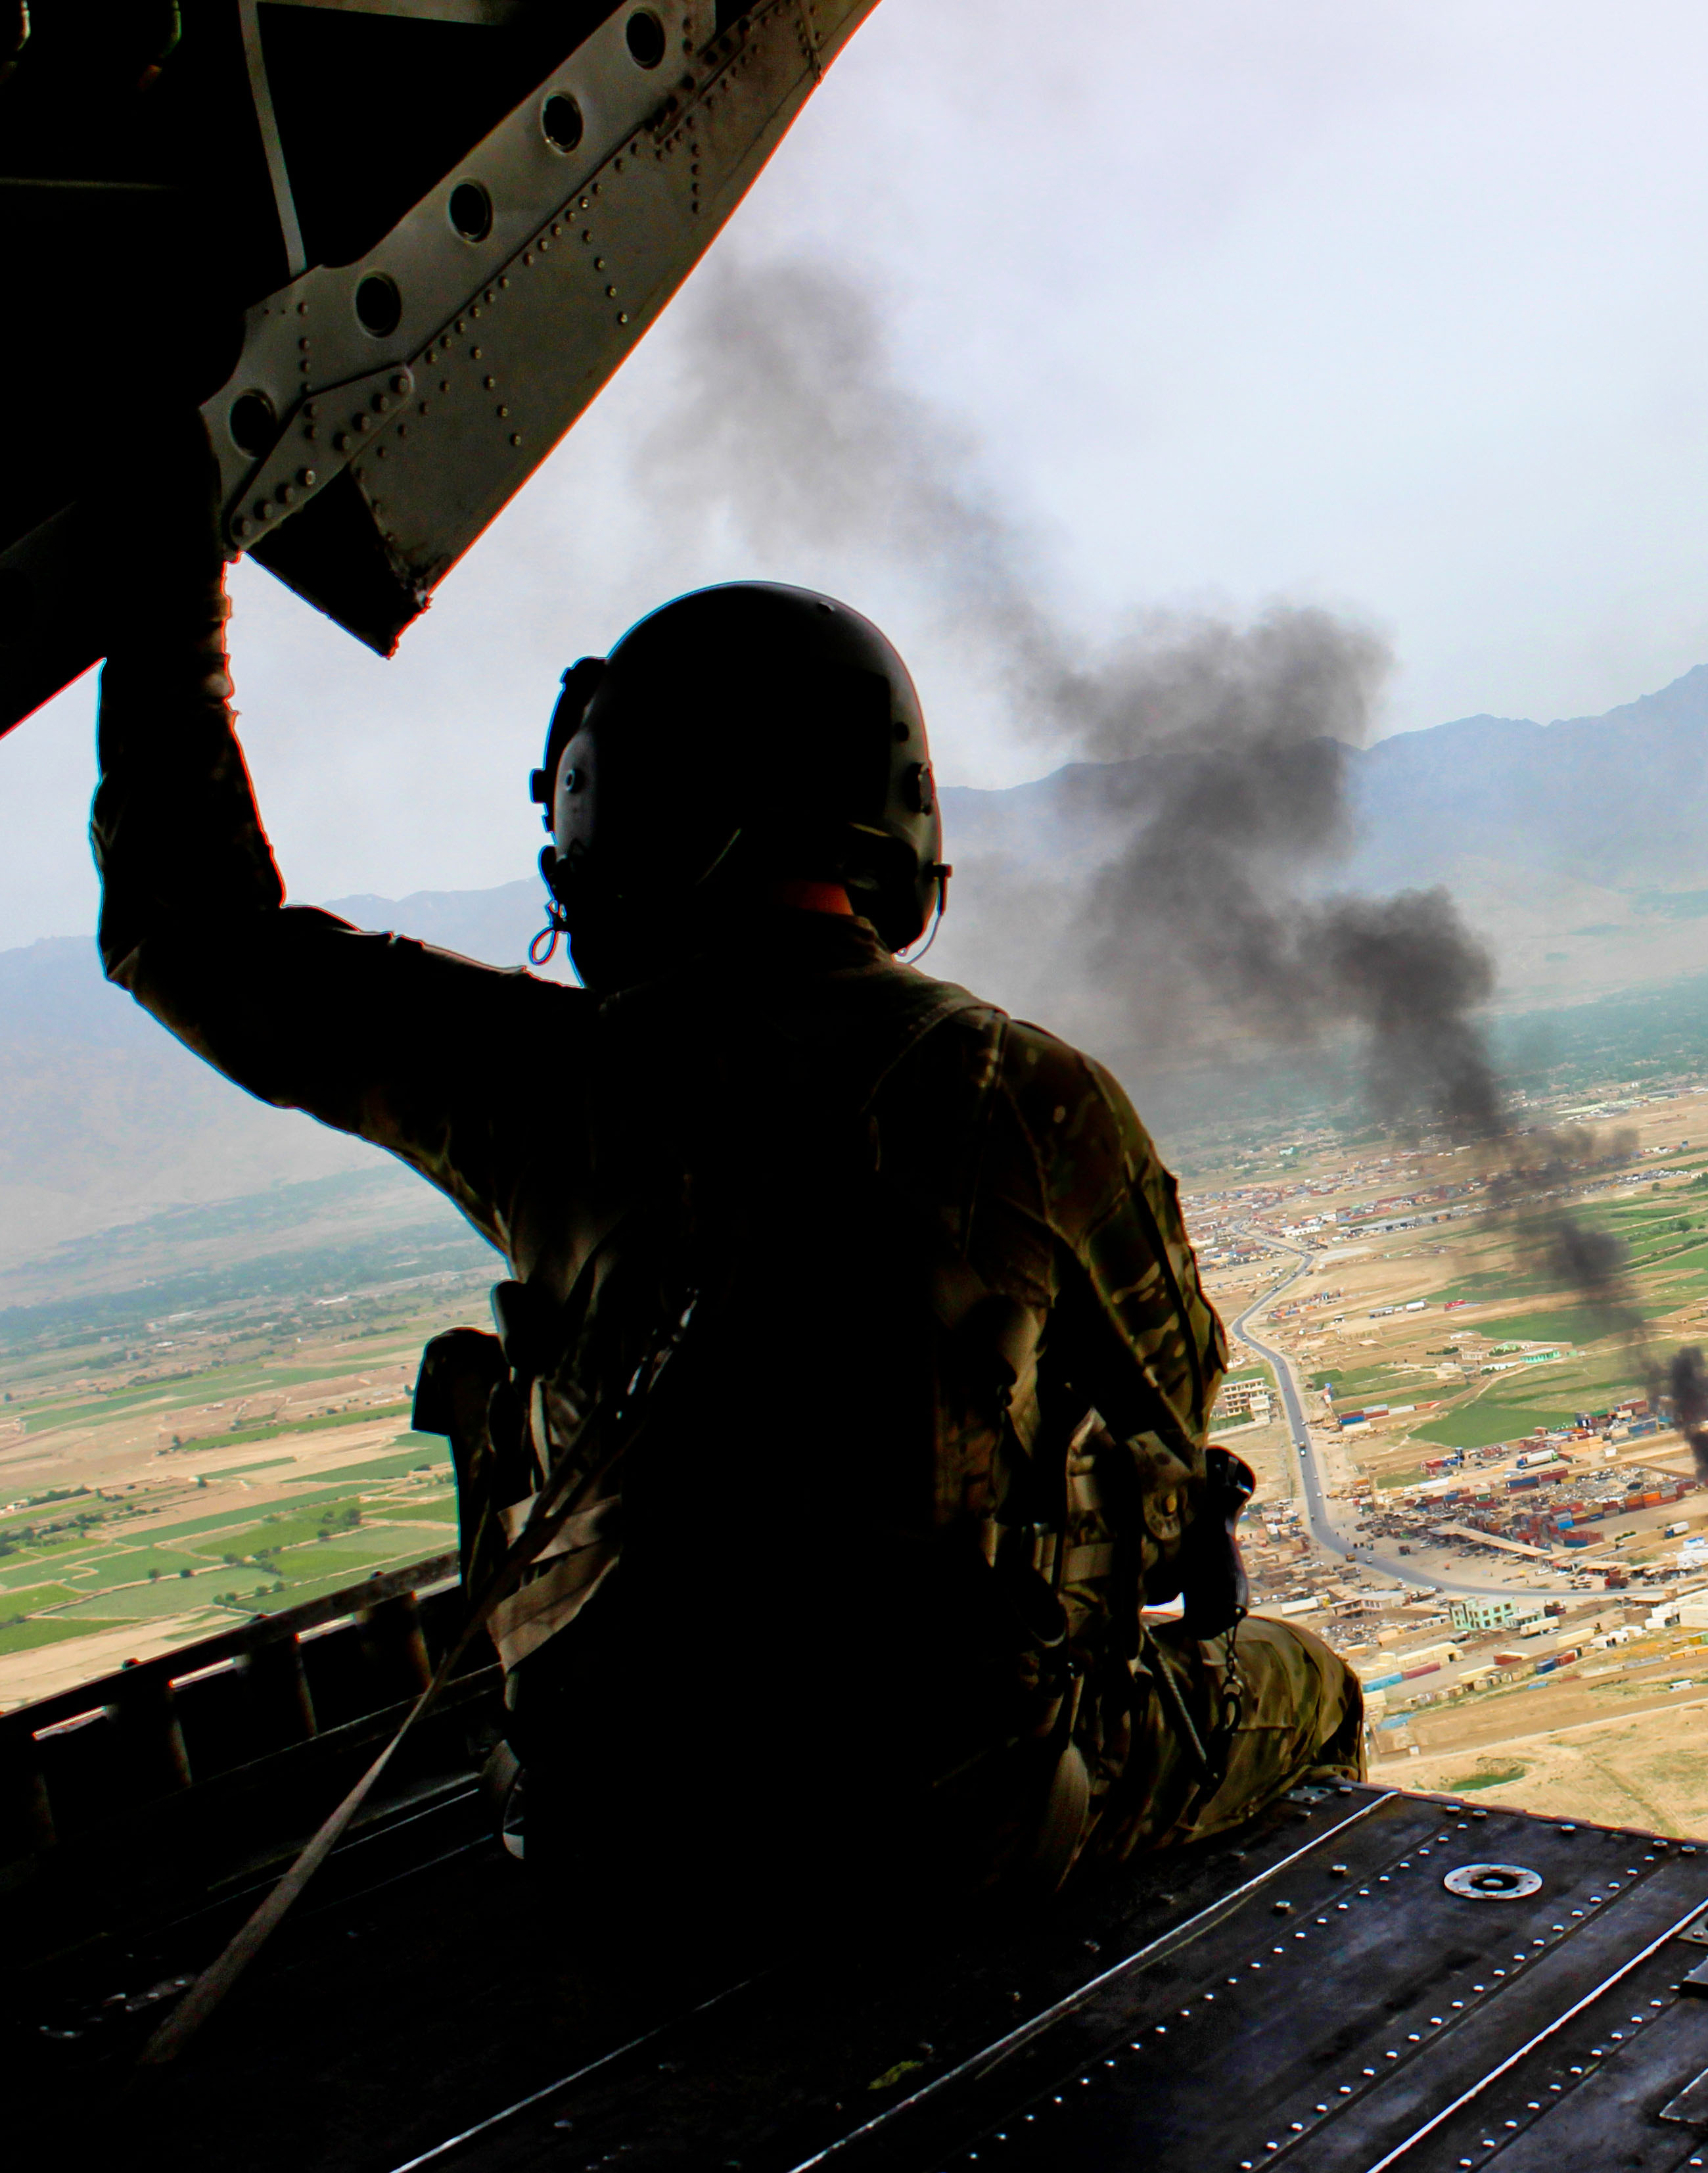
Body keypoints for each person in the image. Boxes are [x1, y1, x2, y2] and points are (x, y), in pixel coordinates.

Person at [89, 475, 1360, 1911]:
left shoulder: (537, 1079)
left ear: (606, 815)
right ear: (893, 817)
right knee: (1306, 1689)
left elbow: (186, 935)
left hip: (612, 1824)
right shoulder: (1032, 1094)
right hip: (966, 1818)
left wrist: (169, 596)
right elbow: (1169, 1408)